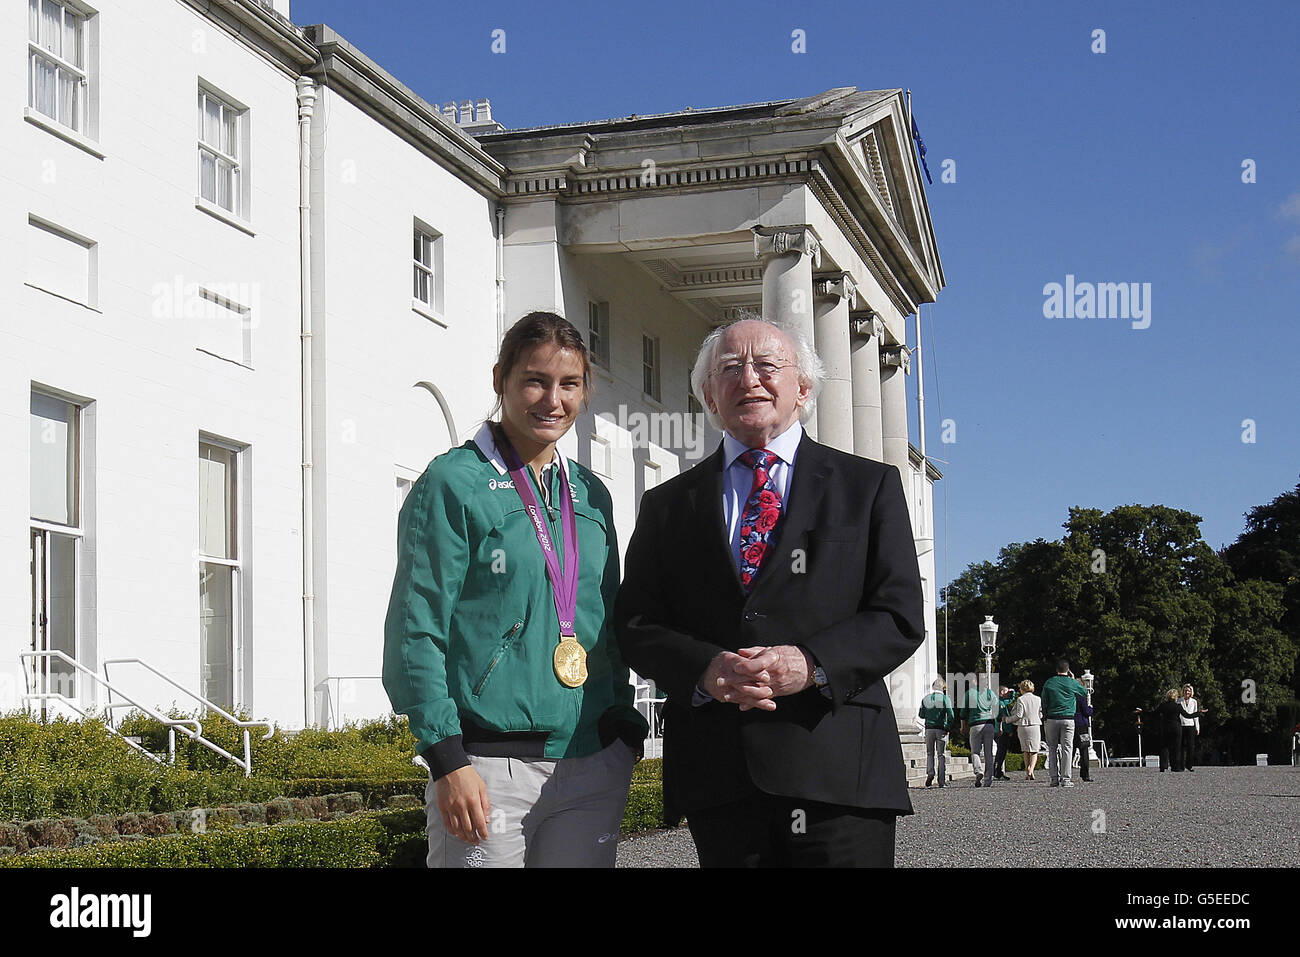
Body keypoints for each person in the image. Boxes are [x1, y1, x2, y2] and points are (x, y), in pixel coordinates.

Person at [614, 317, 925, 867]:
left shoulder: (867, 486)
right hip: (722, 775)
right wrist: (706, 669)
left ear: (803, 388)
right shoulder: (669, 505)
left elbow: (897, 614)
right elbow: (636, 623)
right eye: (729, 369)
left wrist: (810, 663)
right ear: (709, 394)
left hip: (838, 768)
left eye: (766, 365)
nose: (748, 379)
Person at [382, 311, 647, 868]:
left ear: (585, 391)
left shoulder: (590, 493)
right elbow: (415, 629)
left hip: (591, 760)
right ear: (500, 378)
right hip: (485, 769)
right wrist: (447, 759)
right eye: (534, 380)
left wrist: (624, 729)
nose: (552, 399)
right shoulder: (453, 482)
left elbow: (608, 617)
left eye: (568, 384)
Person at [1041, 659, 1088, 788]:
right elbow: (1084, 692)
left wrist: (1045, 715)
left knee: (1052, 748)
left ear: (1056, 669)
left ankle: (1054, 779)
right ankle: (1066, 779)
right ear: (1068, 670)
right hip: (1068, 718)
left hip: (1051, 718)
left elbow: (1044, 701)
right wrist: (1072, 679)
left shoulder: (1049, 682)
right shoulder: (1071, 682)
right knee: (1067, 748)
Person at [960, 677, 999, 788]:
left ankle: (978, 771)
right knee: (988, 753)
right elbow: (997, 707)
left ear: (975, 681)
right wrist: (998, 725)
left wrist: (963, 726)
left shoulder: (969, 693)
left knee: (975, 751)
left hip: (975, 725)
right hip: (989, 724)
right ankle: (988, 780)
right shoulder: (989, 693)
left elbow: (963, 712)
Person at [919, 678, 955, 788]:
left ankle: (930, 773)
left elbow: (921, 714)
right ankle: (941, 781)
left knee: (930, 753)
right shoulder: (945, 699)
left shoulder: (926, 699)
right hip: (941, 729)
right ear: (943, 688)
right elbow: (951, 715)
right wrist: (947, 727)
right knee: (941, 755)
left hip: (929, 729)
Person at [1008, 680, 1042, 780]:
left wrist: (1008, 720)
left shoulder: (1020, 699)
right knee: (1034, 750)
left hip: (1023, 726)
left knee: (1025, 750)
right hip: (1035, 725)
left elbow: (1019, 715)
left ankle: (1028, 772)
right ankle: (1031, 770)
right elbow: (1040, 713)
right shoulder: (1038, 699)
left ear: (1022, 689)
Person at [1179, 683, 1209, 771]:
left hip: (1191, 725)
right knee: (1181, 746)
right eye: (1185, 691)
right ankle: (1180, 765)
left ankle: (1189, 765)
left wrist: (1197, 727)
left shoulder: (1194, 702)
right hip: (1181, 725)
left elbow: (1196, 715)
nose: (1187, 692)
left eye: (1188, 691)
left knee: (1190, 746)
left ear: (1191, 692)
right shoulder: (1179, 701)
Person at [993, 684, 1019, 781]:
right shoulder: (997, 702)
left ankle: (998, 770)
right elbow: (999, 717)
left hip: (1005, 729)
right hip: (1000, 730)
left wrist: (1012, 691)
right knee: (1001, 751)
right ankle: (997, 771)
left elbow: (1011, 699)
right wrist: (1001, 729)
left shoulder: (1003, 701)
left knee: (1002, 751)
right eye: (1006, 692)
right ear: (1001, 692)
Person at [1155, 688, 1184, 772]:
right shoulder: (1178, 706)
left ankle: (1163, 766)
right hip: (1176, 728)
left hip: (1165, 727)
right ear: (1176, 697)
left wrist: (1142, 711)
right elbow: (1187, 715)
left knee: (1164, 747)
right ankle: (1175, 766)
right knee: (1176, 748)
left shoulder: (1163, 705)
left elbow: (1154, 713)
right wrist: (1198, 712)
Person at [1072, 691, 1094, 782]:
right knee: (1084, 750)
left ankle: (1065, 773)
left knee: (1069, 750)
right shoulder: (1081, 696)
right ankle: (1085, 775)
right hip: (1081, 725)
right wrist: (1091, 708)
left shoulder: (1068, 695)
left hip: (1070, 724)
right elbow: (1087, 712)